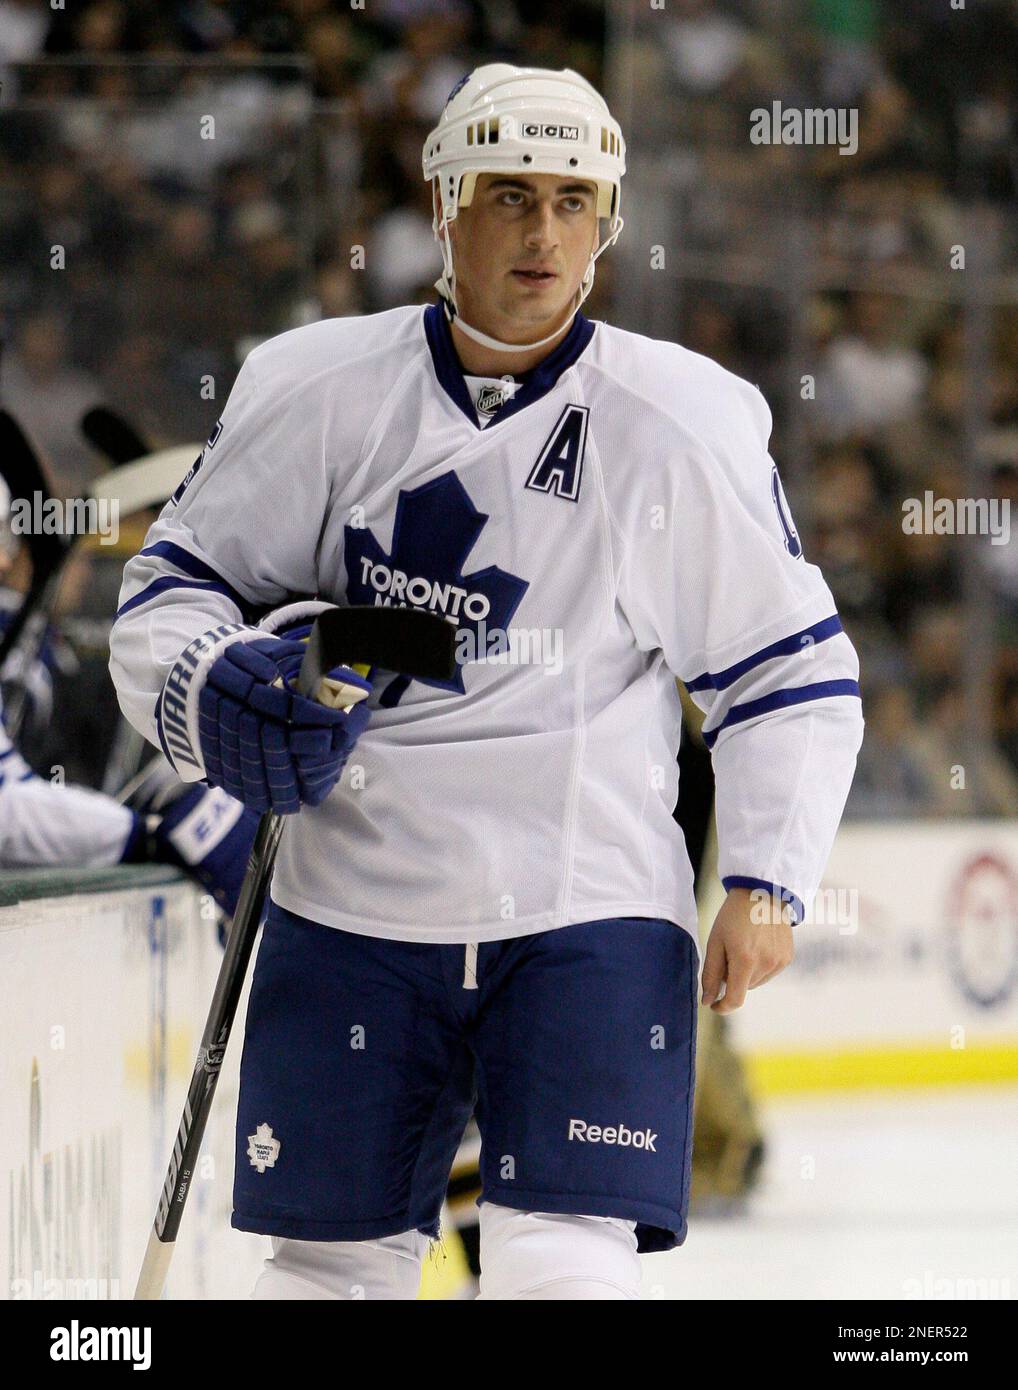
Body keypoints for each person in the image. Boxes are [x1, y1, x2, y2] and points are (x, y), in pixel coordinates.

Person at [109, 64, 864, 1301]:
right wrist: (215, 688)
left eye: (575, 199)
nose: (544, 229)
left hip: (586, 909)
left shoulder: (677, 421)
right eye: (510, 194)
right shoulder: (314, 388)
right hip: (354, 901)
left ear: (608, 222)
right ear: (446, 203)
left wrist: (768, 878)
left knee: (560, 1260)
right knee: (324, 1271)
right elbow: (168, 594)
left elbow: (786, 668)